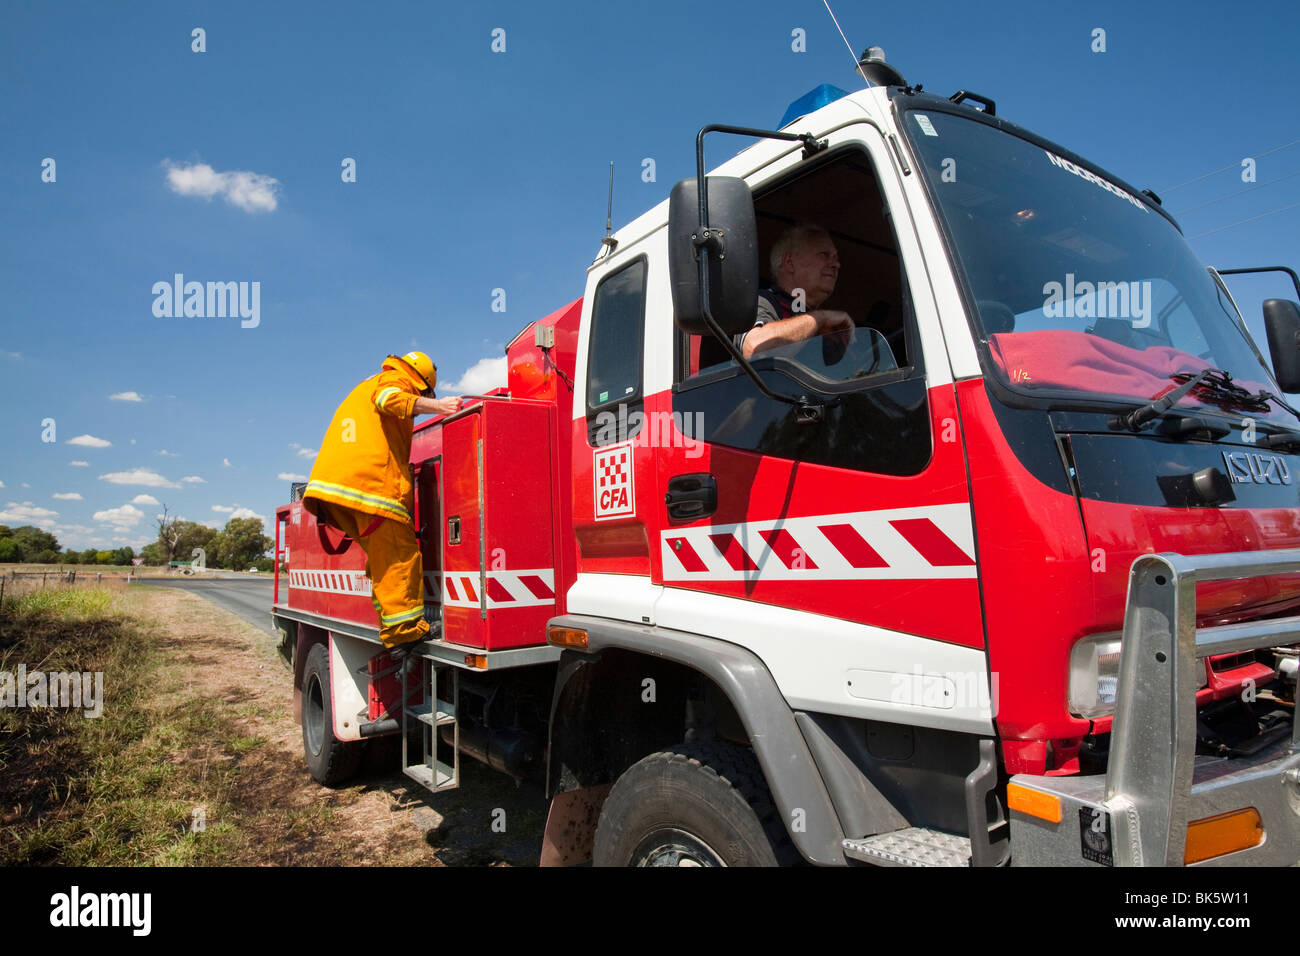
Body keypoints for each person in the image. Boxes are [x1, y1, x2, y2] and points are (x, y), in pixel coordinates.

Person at [302, 352, 462, 652]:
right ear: (422, 381)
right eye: (426, 393)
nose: (424, 399)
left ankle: (394, 626)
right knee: (400, 557)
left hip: (341, 486)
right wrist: (439, 406)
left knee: (383, 560)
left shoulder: (369, 383)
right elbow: (388, 399)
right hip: (370, 483)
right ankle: (405, 633)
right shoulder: (395, 380)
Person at [739, 222, 857, 360]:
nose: (836, 264)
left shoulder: (831, 328)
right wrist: (820, 319)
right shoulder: (762, 301)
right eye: (824, 255)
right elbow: (754, 348)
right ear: (789, 263)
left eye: (836, 258)